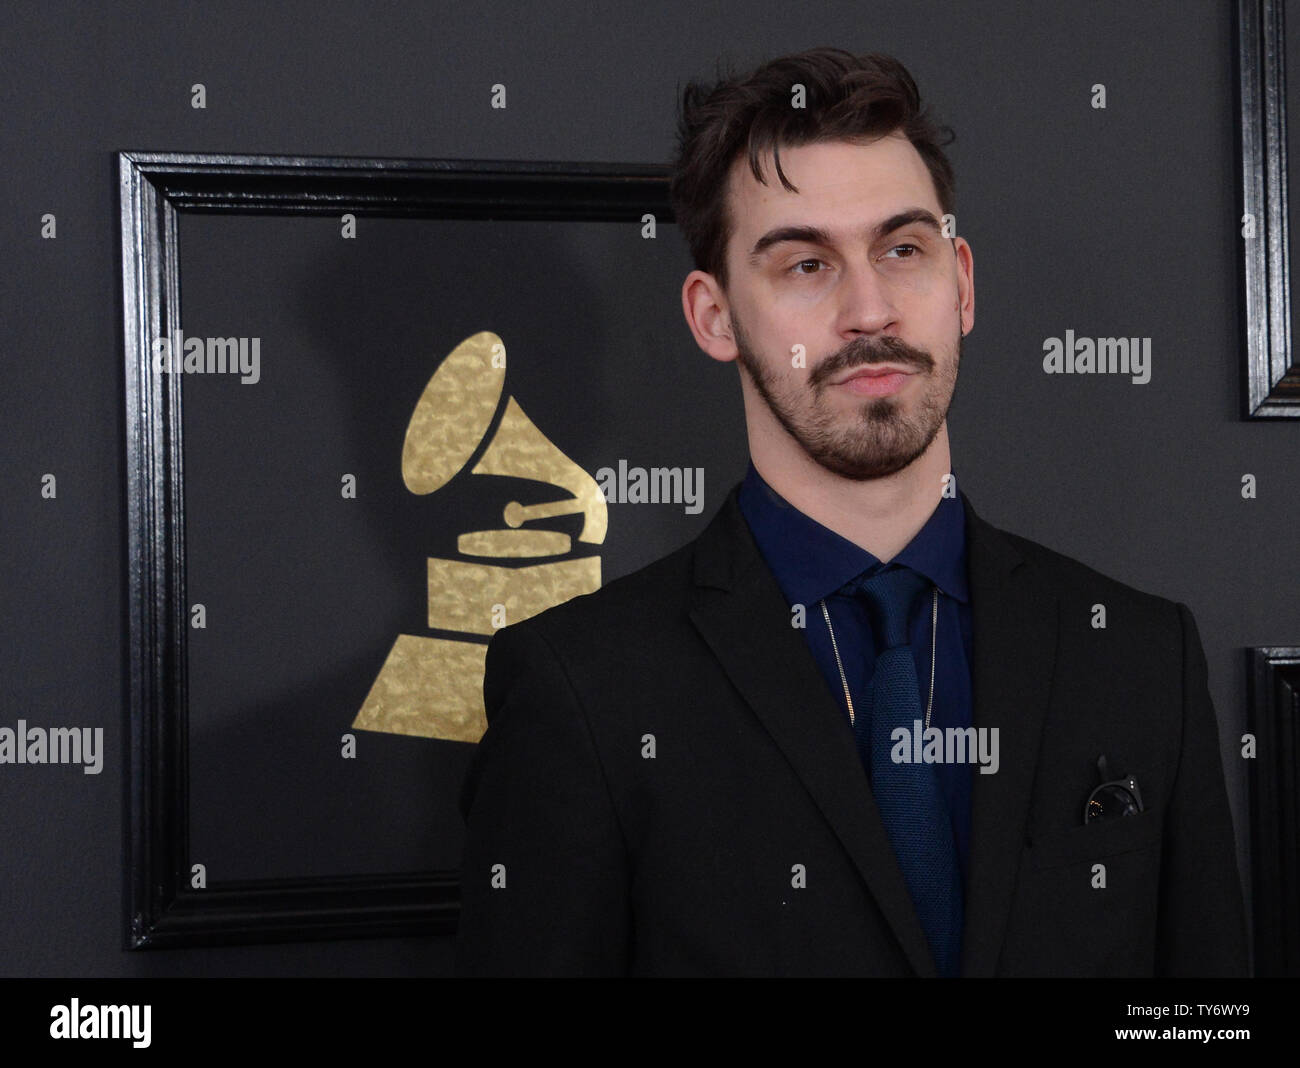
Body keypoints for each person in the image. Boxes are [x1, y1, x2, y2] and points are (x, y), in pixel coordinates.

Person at [454, 47, 1249, 976]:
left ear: (962, 282)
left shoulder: (1138, 654)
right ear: (714, 317)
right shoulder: (581, 691)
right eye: (804, 264)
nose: (869, 309)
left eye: (901, 249)